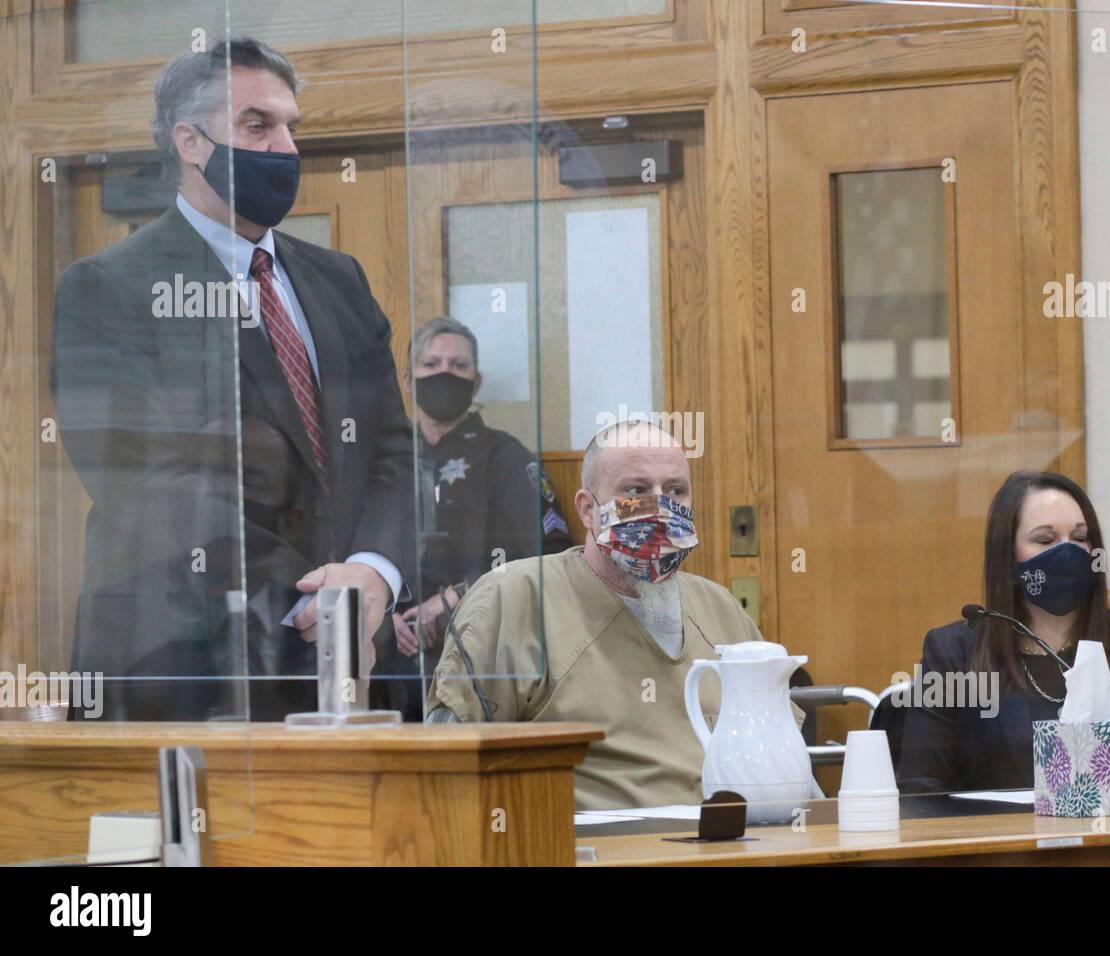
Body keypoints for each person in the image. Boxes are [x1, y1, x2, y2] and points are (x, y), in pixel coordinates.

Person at [52, 37, 414, 720]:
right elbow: (145, 484)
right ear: (190, 142)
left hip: (353, 657)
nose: (284, 147)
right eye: (257, 125)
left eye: (290, 127)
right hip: (191, 659)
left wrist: (373, 575)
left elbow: (394, 450)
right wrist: (317, 601)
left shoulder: (339, 280)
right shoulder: (110, 287)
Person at [424, 419, 771, 811]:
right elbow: (445, 771)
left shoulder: (721, 609)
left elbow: (780, 760)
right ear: (588, 509)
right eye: (636, 490)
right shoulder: (516, 598)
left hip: (726, 844)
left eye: (675, 491)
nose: (660, 507)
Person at [897, 470, 1110, 793]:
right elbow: (919, 784)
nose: (1066, 552)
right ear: (1007, 557)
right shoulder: (953, 653)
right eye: (1045, 539)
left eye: (1079, 538)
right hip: (1006, 851)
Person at [379, 317, 571, 719]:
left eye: (458, 365)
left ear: (476, 381)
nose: (444, 373)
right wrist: (382, 612)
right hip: (386, 666)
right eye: (431, 365)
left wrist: (451, 600)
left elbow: (550, 558)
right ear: (409, 378)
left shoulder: (506, 458)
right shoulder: (386, 458)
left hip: (482, 657)